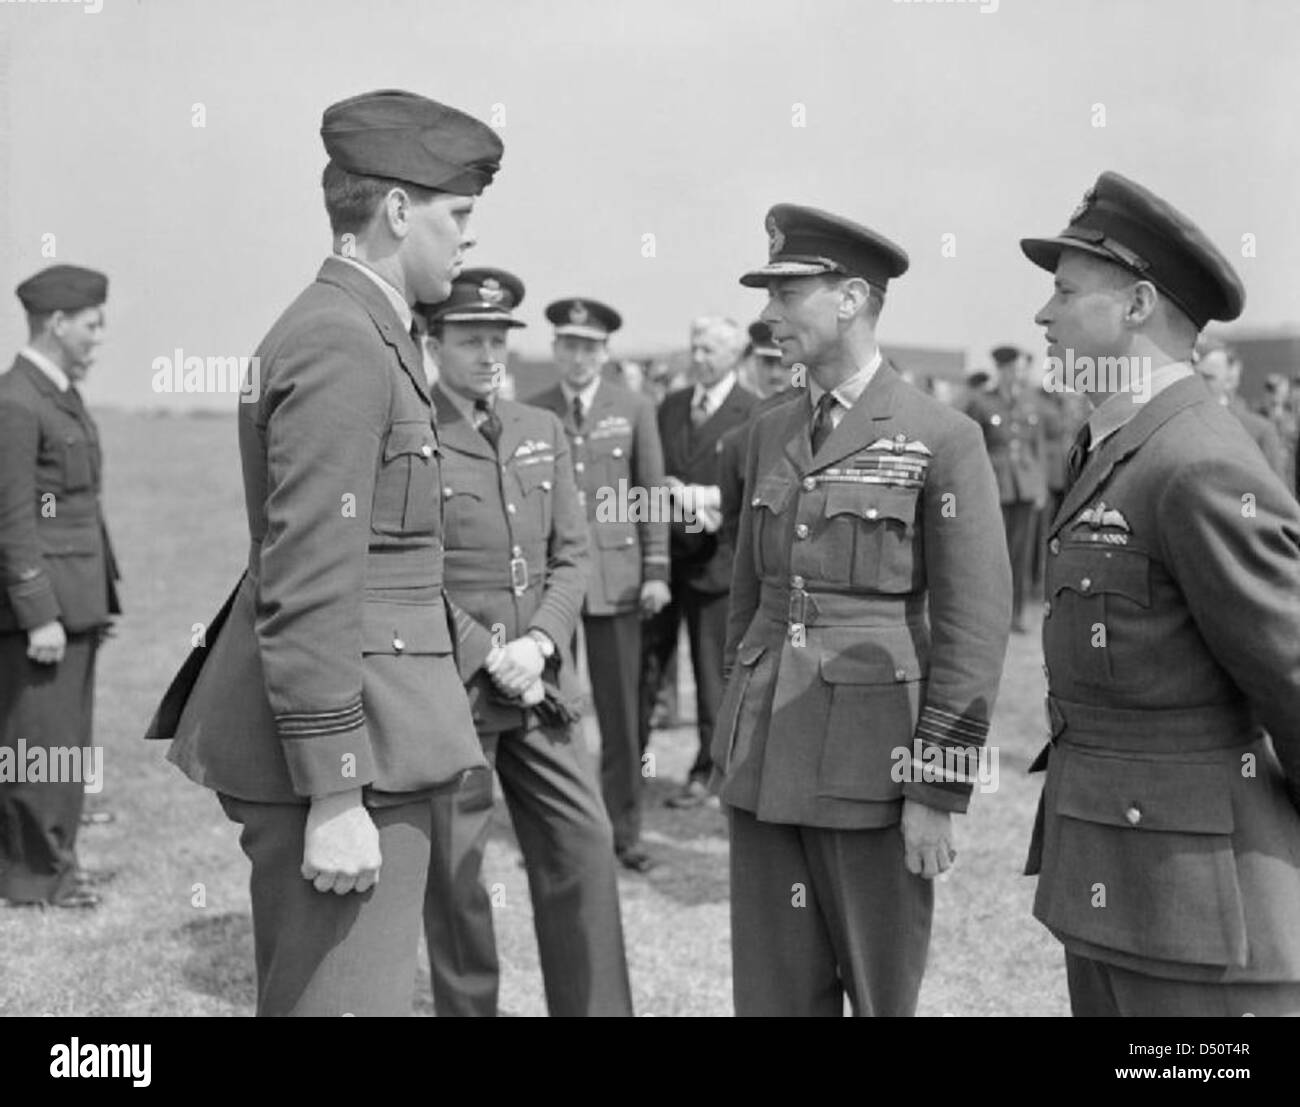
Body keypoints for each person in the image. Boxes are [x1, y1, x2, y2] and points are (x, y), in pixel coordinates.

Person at [145, 90, 504, 1016]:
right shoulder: (344, 341)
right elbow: (309, 578)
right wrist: (336, 793)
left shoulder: (361, 330)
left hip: (382, 733)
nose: (465, 239)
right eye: (456, 214)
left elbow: (392, 564)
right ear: (395, 210)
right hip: (355, 759)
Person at [715, 203, 1012, 1016]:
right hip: (766, 757)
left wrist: (937, 790)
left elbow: (974, 628)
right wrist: (732, 728)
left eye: (787, 293)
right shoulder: (768, 430)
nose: (768, 314)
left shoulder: (939, 436)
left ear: (850, 299)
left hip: (872, 770)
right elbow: (748, 597)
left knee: (882, 994)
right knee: (772, 998)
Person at [1022, 169, 1300, 1017]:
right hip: (1115, 877)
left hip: (1198, 906)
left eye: (1066, 293)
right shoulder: (1115, 442)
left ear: (1138, 305)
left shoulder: (1197, 461)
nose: (1044, 315)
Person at [419, 269, 632, 1016]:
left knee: (584, 844)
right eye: (469, 338)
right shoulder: (413, 437)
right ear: (431, 340)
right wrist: (488, 652)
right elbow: (409, 575)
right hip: (459, 694)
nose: (487, 353)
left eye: (497, 338)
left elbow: (573, 554)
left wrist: (540, 642)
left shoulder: (538, 429)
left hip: (541, 689)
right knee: (456, 873)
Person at [532, 298, 670, 872]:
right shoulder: (533, 409)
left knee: (622, 716)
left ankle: (624, 830)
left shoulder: (633, 408)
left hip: (617, 581)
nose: (579, 357)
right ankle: (566, 831)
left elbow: (649, 491)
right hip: (554, 586)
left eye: (590, 347)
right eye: (569, 345)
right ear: (556, 350)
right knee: (556, 711)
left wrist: (657, 568)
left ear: (605, 352)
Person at [0, 265, 120, 910]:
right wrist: (38, 612)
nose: (100, 337)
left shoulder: (55, 395)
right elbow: (12, 517)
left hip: (75, 603)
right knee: (36, 749)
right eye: (92, 325)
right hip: (43, 613)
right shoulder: (18, 401)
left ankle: (54, 864)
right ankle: (35, 876)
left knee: (64, 747)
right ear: (57, 323)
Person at [642, 316, 758, 809]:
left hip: (719, 565)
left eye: (710, 349)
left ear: (734, 356)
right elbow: (647, 480)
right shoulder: (668, 407)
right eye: (695, 347)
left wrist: (696, 500)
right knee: (648, 668)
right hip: (664, 564)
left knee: (713, 675)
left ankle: (708, 772)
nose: (699, 356)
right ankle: (632, 766)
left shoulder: (753, 412)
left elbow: (750, 493)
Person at [966, 345, 1047, 632]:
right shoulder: (982, 402)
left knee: (1021, 554)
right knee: (990, 552)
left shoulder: (1030, 401)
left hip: (1024, 485)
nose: (1018, 375)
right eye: (1013, 369)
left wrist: (1039, 487)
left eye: (1021, 369)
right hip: (995, 484)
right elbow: (973, 448)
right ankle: (988, 613)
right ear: (1001, 371)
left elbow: (1036, 447)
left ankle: (1018, 613)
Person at [1194, 343, 1287, 479]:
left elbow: (1276, 494)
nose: (1198, 383)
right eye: (1195, 376)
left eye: (1208, 378)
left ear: (1229, 380)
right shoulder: (1177, 425)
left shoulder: (1257, 430)